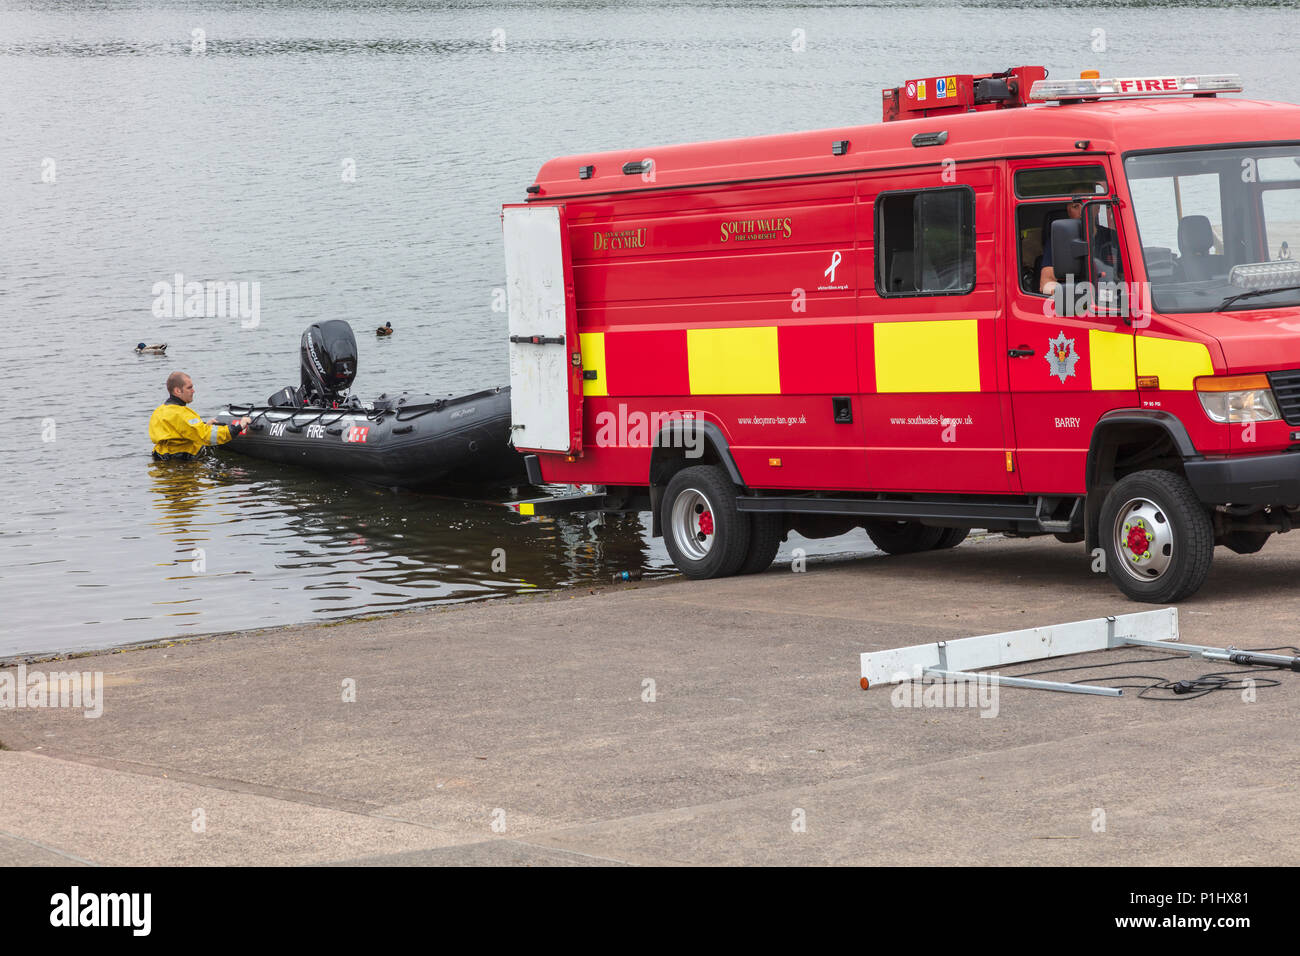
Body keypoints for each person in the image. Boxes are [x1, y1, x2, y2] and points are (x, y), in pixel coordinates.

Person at [149, 371, 250, 460]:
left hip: (161, 459)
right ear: (177, 391)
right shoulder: (182, 414)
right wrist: (237, 427)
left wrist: (205, 425)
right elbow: (206, 435)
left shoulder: (159, 411)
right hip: (182, 463)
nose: (193, 391)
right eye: (189, 387)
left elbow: (181, 432)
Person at [1040, 198, 1084, 295]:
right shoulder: (1058, 239)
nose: (1083, 211)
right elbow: (1046, 284)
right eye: (1075, 206)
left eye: (1087, 204)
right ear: (1069, 212)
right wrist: (1076, 296)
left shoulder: (1112, 237)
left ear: (1097, 207)